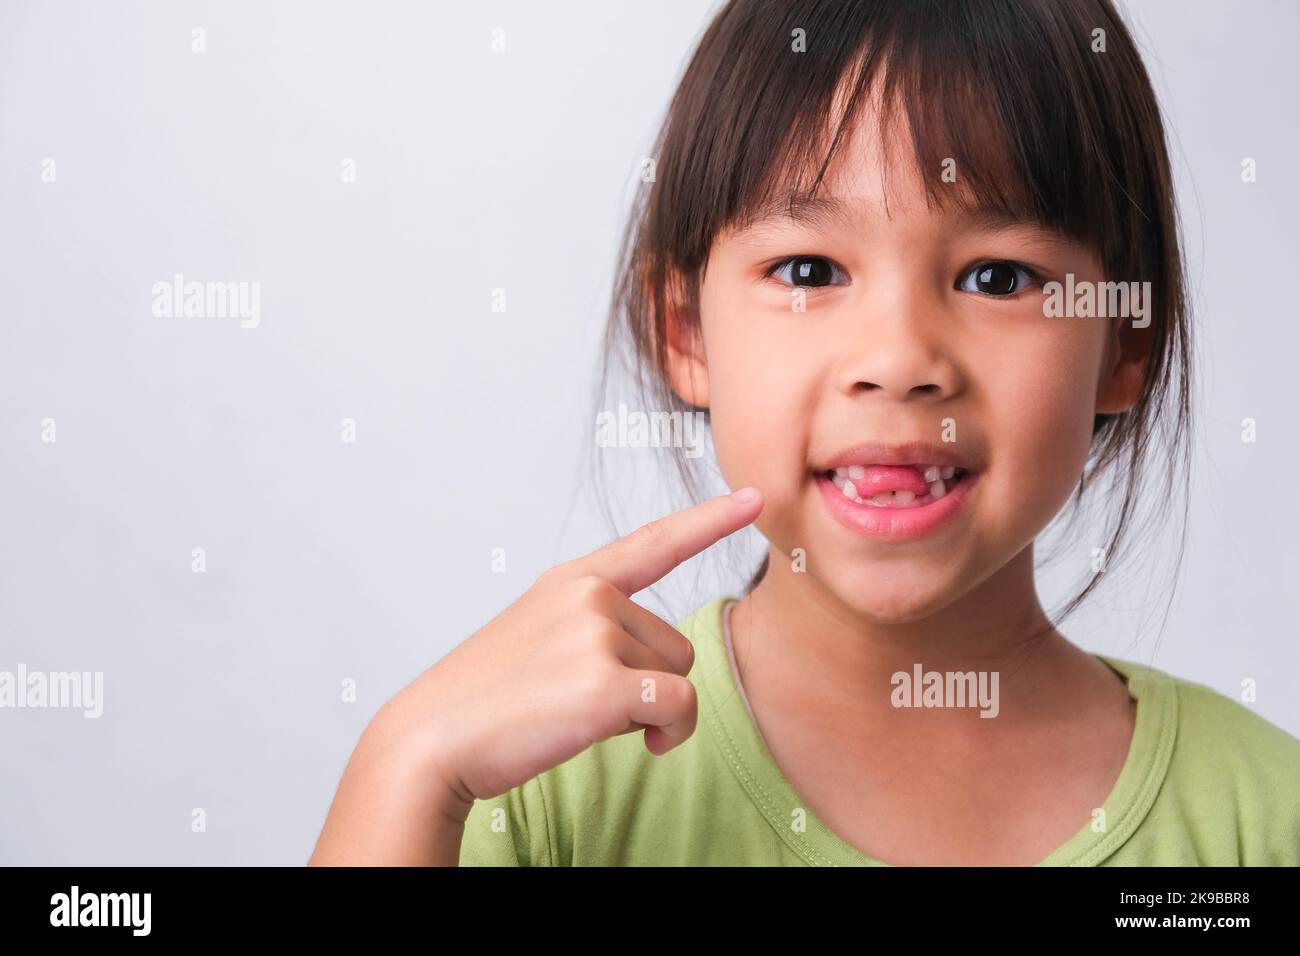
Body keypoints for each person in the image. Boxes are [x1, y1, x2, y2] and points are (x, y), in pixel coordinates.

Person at [310, 0, 1300, 866]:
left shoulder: (1262, 817)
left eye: (998, 277)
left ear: (1124, 342)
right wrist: (402, 760)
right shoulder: (531, 786)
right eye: (809, 271)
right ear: (685, 331)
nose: (899, 358)